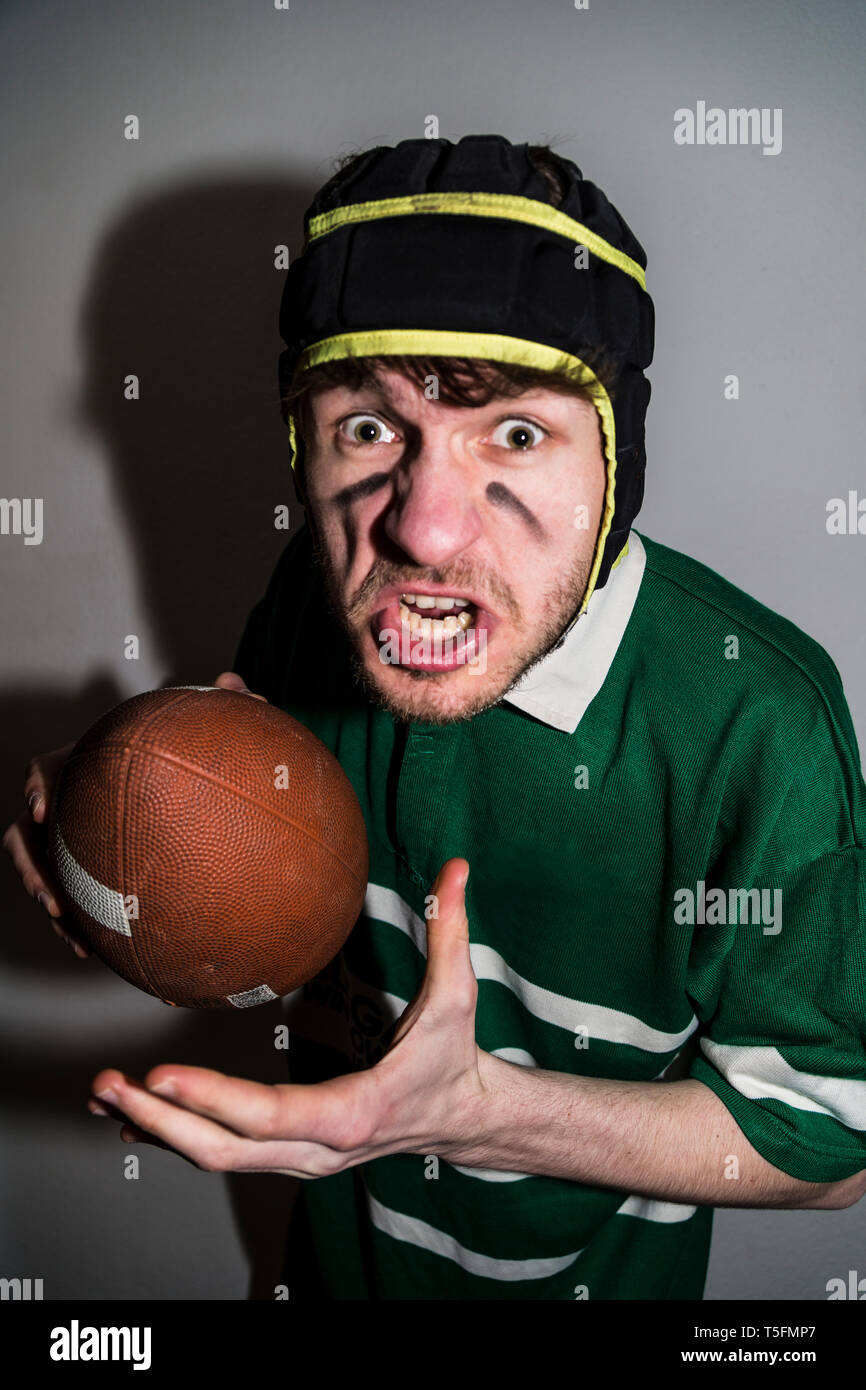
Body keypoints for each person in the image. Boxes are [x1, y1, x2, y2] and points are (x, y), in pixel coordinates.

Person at [5, 134, 865, 1302]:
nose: (423, 531)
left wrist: (482, 1117)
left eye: (515, 432)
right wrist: (111, 801)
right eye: (370, 427)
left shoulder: (756, 720)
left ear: (616, 461)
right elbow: (251, 838)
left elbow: (823, 1142)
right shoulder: (318, 606)